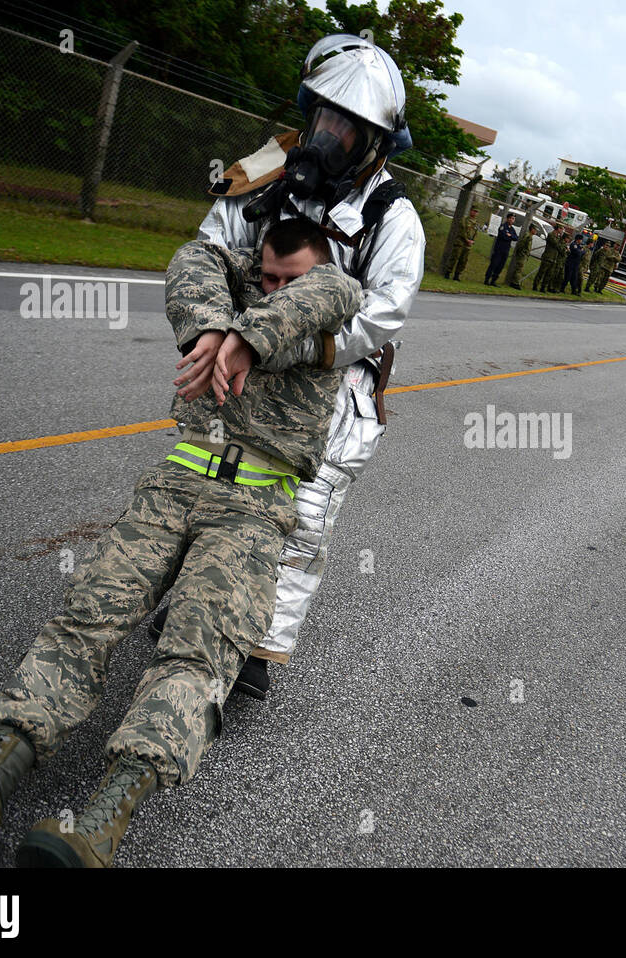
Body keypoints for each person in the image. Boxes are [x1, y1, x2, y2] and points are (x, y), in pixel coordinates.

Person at [0, 220, 362, 868]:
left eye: (285, 280)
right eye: (264, 277)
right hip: (177, 479)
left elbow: (334, 290)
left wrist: (247, 336)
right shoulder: (235, 287)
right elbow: (194, 257)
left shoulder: (327, 311)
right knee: (85, 618)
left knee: (197, 651)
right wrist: (212, 327)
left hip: (253, 505)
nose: (271, 290)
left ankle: (100, 827)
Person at [154, 34, 426, 702]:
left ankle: (256, 647)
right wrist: (219, 331)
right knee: (209, 488)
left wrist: (301, 347)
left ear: (378, 143)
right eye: (325, 119)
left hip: (333, 387)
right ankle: (195, 608)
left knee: (302, 518)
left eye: (349, 130)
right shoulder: (266, 165)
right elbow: (214, 244)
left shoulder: (395, 218)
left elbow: (383, 315)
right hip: (240, 366)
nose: (330, 138)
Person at [484, 213, 519, 285]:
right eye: (511, 218)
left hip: (505, 250)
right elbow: (504, 237)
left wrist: (510, 235)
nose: (512, 220)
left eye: (513, 219)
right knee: (494, 264)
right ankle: (487, 279)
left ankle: (493, 280)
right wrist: (510, 237)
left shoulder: (512, 229)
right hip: (499, 249)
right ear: (508, 218)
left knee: (500, 266)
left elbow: (516, 238)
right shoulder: (503, 226)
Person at [506, 222, 538, 289]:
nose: (536, 231)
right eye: (535, 229)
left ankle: (515, 282)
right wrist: (521, 253)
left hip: (524, 255)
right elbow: (521, 244)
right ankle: (515, 283)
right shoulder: (527, 236)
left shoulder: (530, 236)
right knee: (519, 269)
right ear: (532, 229)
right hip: (522, 255)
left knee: (520, 269)